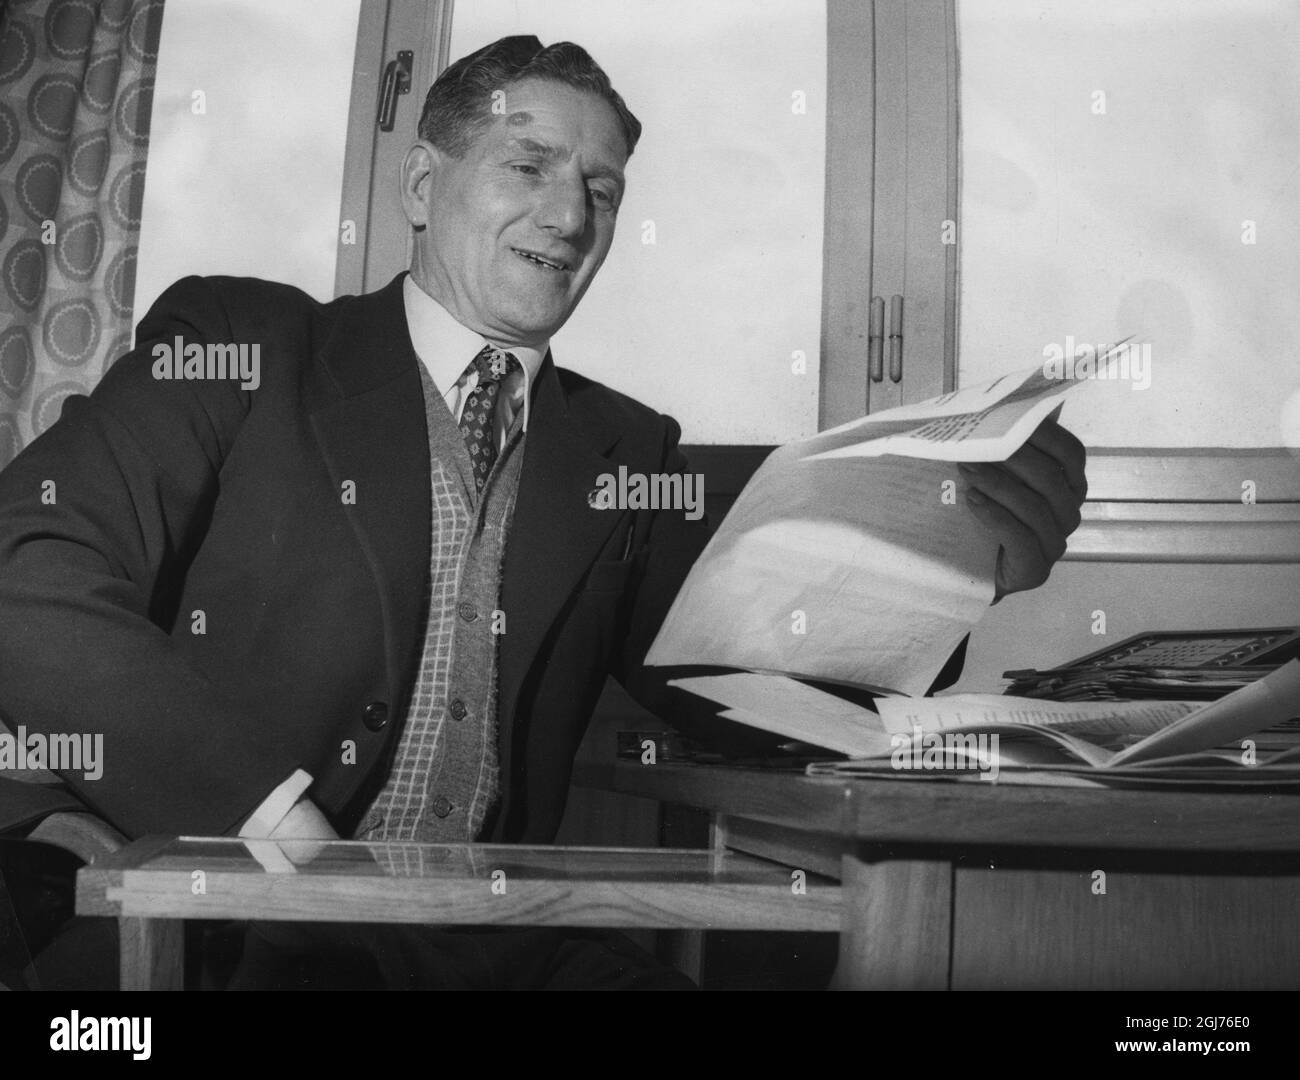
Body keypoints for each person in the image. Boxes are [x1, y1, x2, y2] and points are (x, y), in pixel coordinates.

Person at [0, 35, 1086, 989]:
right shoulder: (240, 347)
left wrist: (957, 564)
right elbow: (25, 570)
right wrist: (278, 826)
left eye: (602, 191)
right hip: (216, 922)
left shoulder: (626, 450)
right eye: (528, 167)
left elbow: (744, 690)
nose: (569, 217)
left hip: (485, 941)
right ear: (422, 186)